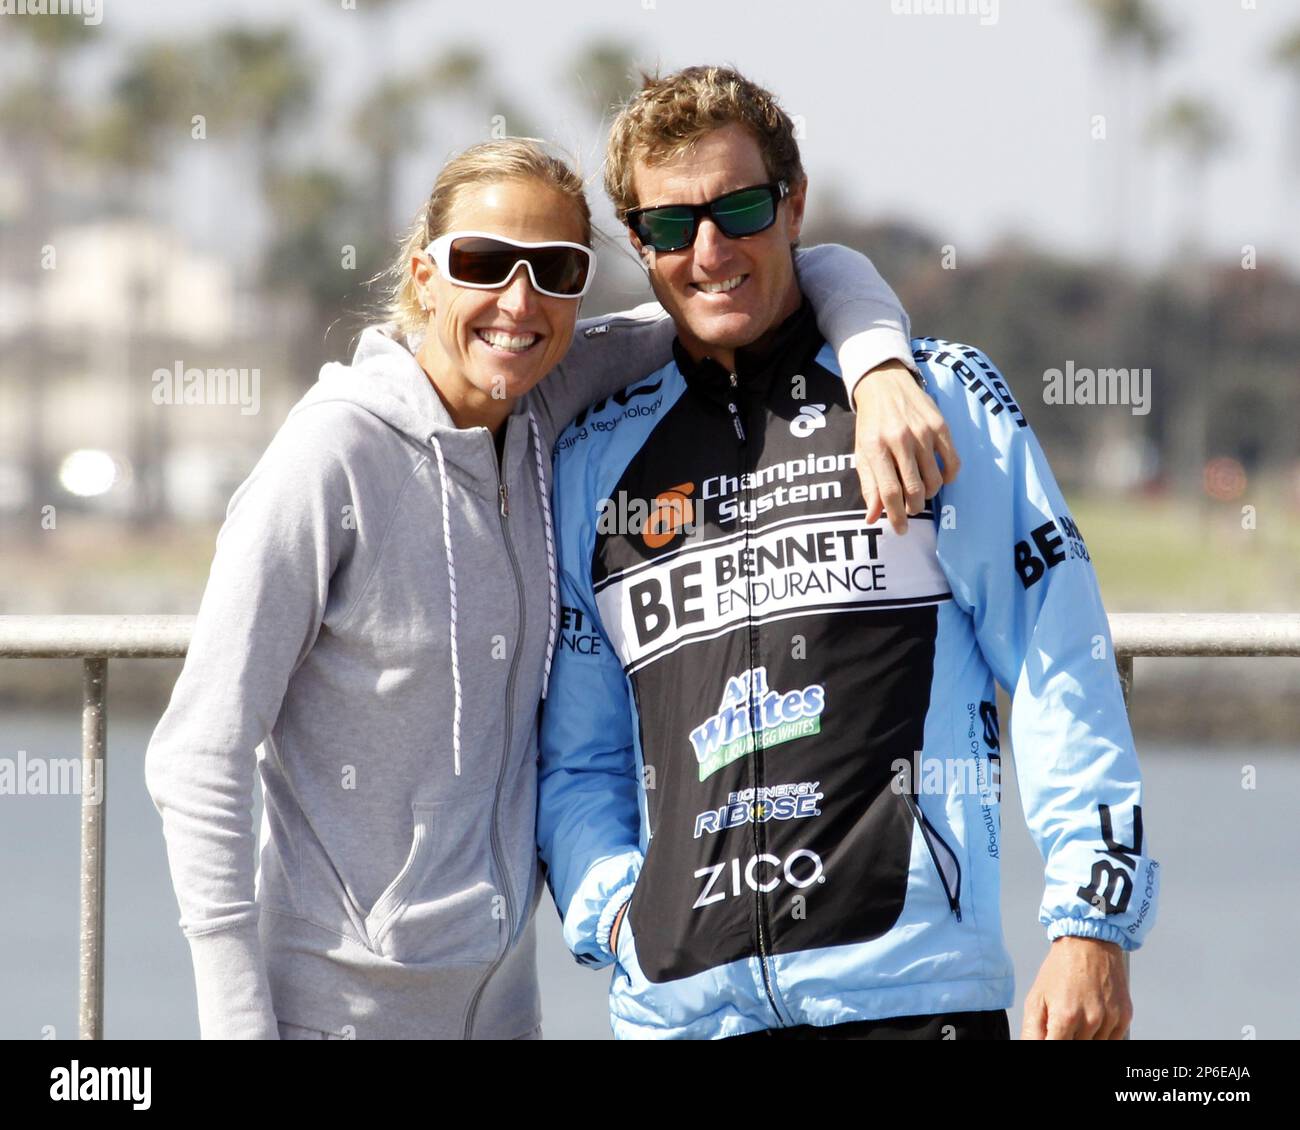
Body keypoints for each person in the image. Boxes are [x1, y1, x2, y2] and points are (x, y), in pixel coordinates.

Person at [143, 136, 951, 1039]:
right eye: (484, 264)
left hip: (502, 1008)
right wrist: (235, 1023)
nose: (518, 302)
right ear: (423, 277)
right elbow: (198, 756)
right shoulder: (331, 456)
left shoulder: (545, 399)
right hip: (331, 1012)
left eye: (556, 269)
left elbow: (783, 281)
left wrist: (879, 366)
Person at [537, 66, 1161, 1041]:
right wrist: (620, 921)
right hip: (681, 1017)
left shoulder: (931, 398)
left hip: (908, 1000)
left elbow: (1056, 660)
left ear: (793, 205)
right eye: (669, 225)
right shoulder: (591, 459)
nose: (708, 251)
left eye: (737, 208)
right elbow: (580, 762)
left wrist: (1091, 916)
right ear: (636, 242)